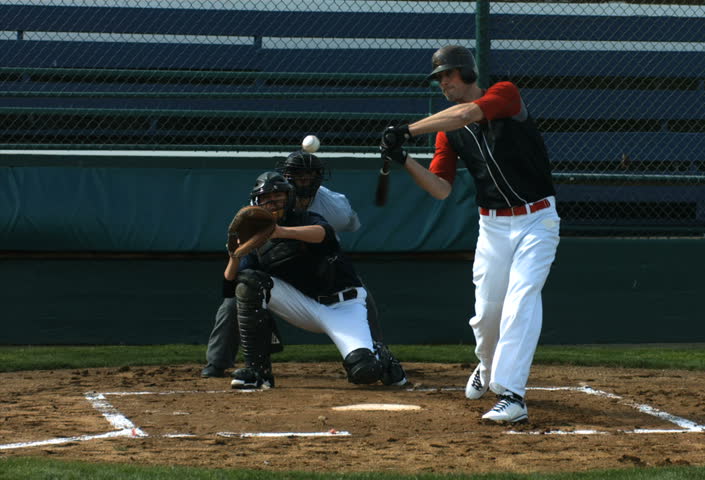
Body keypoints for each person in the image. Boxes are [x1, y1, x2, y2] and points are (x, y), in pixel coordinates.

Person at [379, 45, 560, 423]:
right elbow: (441, 188)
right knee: (486, 314)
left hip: (536, 219)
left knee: (521, 300)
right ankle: (487, 364)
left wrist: (407, 130)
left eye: (448, 74)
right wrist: (404, 158)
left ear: (467, 73)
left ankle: (512, 394)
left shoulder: (504, 95)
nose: (443, 82)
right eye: (439, 78)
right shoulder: (448, 134)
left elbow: (466, 114)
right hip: (492, 226)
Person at [201, 151, 404, 386]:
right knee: (247, 283)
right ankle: (258, 373)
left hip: (341, 305)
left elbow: (323, 234)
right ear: (256, 203)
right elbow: (228, 288)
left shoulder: (307, 217)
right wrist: (234, 256)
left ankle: (382, 357)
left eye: (278, 198)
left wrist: (279, 232)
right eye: (267, 199)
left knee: (364, 371)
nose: (273, 203)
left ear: (288, 198)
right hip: (301, 304)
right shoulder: (255, 237)